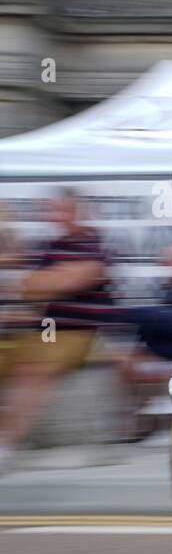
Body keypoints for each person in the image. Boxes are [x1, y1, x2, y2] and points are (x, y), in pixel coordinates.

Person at [0, 191, 116, 470]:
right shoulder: (47, 245)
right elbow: (28, 286)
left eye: (60, 210)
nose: (53, 217)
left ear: (78, 211)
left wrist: (34, 282)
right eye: (50, 211)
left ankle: (6, 445)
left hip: (74, 332)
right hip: (36, 331)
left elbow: (60, 282)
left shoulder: (93, 243)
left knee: (33, 370)